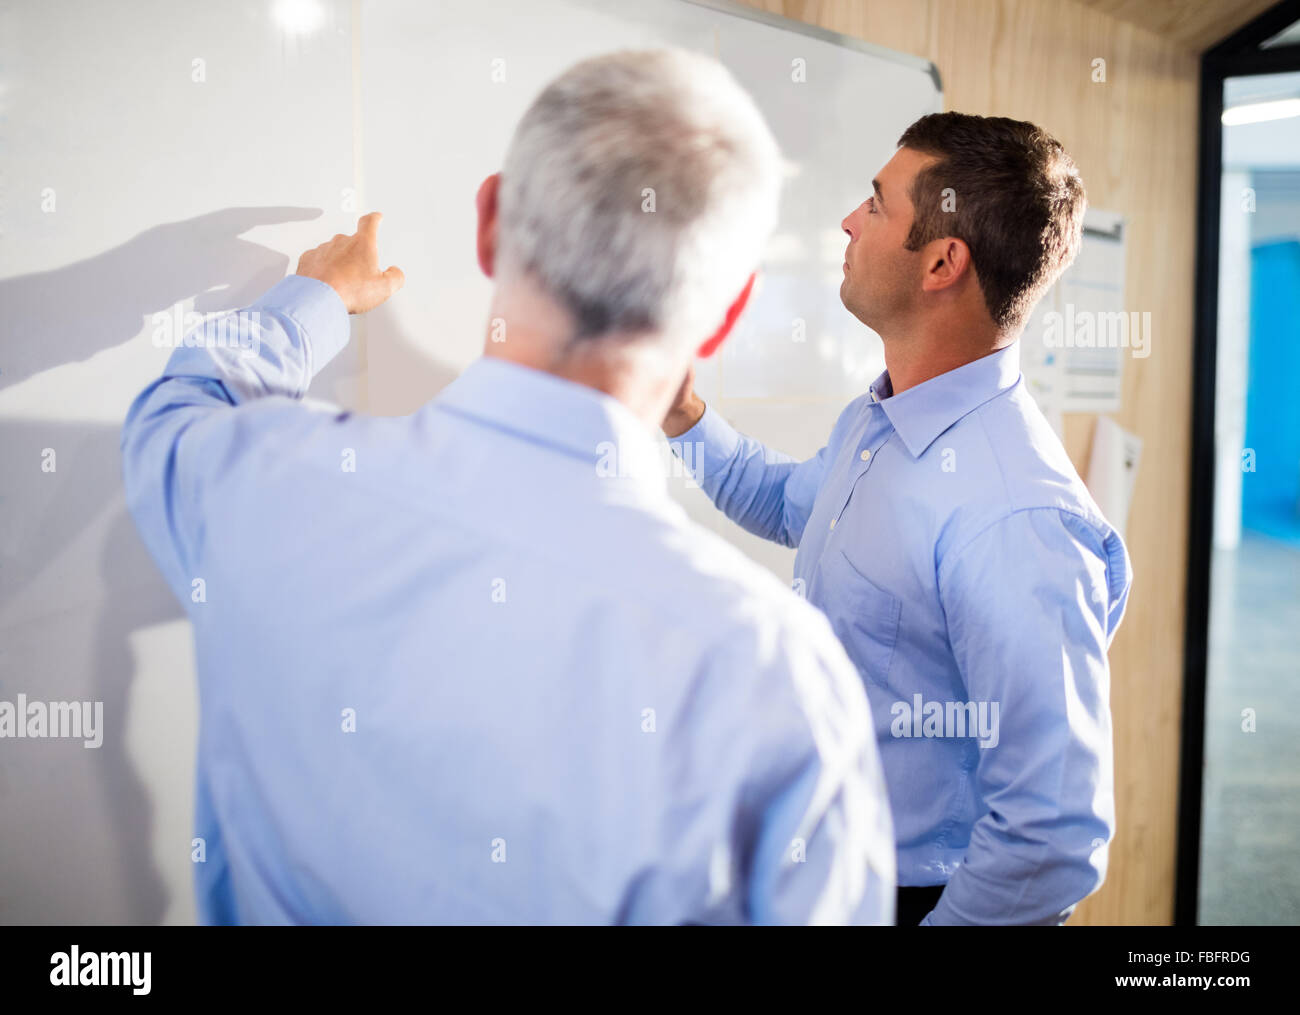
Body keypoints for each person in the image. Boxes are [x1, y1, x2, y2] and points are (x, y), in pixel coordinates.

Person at [120, 48, 895, 924]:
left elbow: (178, 403)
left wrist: (314, 300)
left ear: (490, 222)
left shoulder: (258, 483)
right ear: (726, 311)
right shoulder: (775, 685)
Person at [663, 112, 1132, 926]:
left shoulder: (1017, 516)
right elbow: (787, 505)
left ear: (943, 262)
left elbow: (1053, 832)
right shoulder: (881, 419)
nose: (849, 218)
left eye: (875, 204)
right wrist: (684, 413)